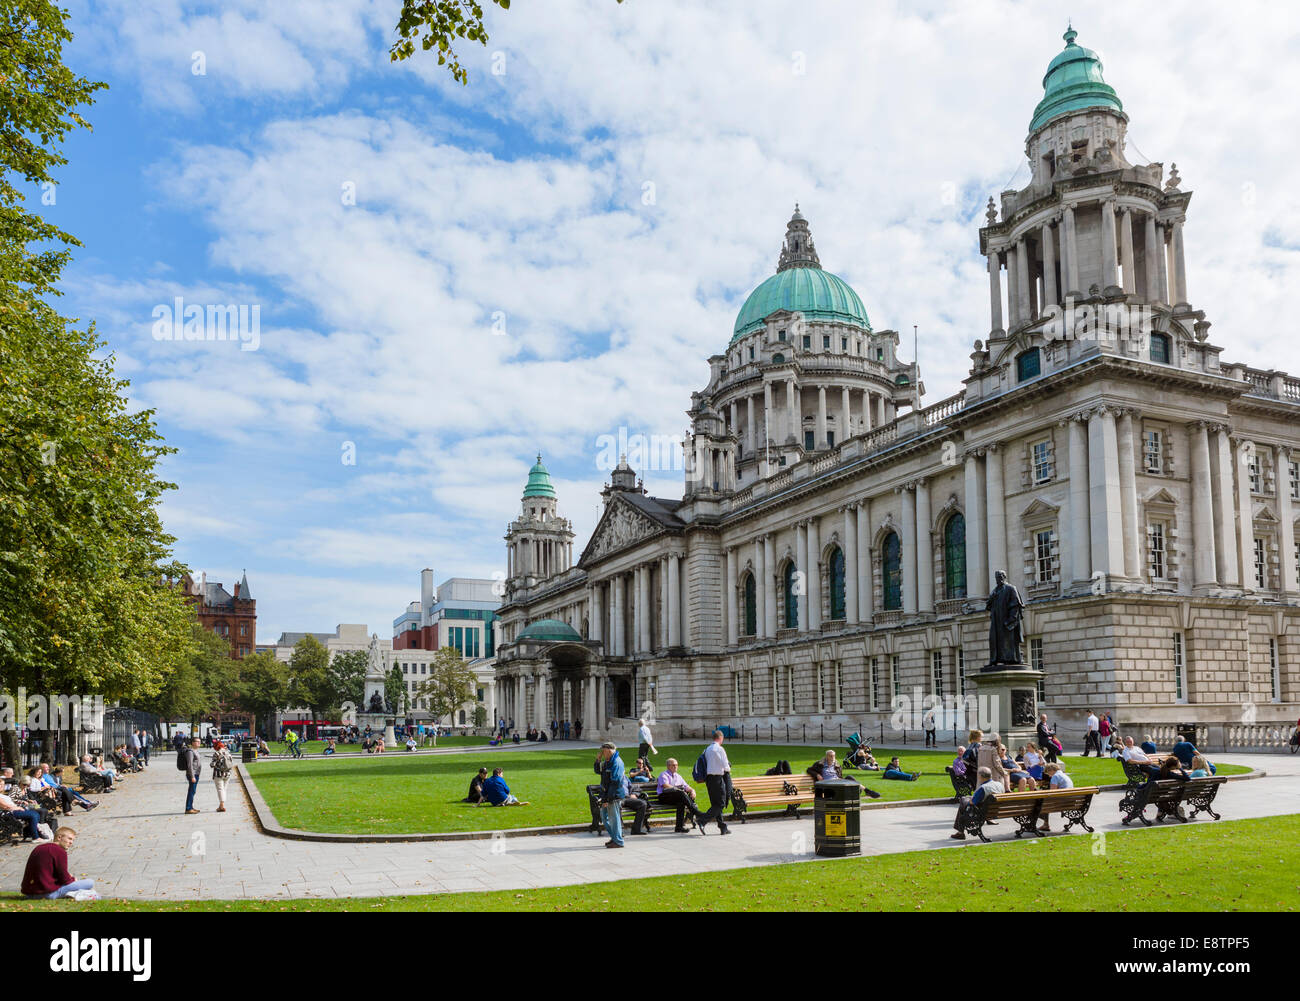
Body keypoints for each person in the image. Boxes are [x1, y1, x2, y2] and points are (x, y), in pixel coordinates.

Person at [20, 828, 94, 899]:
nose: (71, 842)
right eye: (69, 839)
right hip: (47, 893)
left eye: (73, 840)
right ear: (59, 837)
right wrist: (73, 879)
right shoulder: (60, 851)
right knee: (90, 882)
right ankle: (73, 893)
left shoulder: (39, 847)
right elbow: (65, 879)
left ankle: (72, 893)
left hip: (28, 892)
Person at [695, 730, 732, 835]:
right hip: (717, 778)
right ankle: (702, 820)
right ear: (721, 738)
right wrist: (729, 767)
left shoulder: (707, 749)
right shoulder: (720, 749)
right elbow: (726, 766)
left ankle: (722, 827)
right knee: (721, 803)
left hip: (709, 779)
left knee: (715, 804)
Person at [951, 766, 1002, 840]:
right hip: (995, 811)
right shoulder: (999, 784)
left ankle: (960, 832)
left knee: (963, 802)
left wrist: (967, 800)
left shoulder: (984, 788)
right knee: (965, 800)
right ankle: (960, 832)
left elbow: (973, 802)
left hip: (982, 812)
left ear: (981, 777)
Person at [595, 743, 629, 846]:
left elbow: (615, 782)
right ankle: (615, 837)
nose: (602, 753)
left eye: (603, 751)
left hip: (614, 795)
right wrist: (598, 760)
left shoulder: (617, 762)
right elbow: (598, 771)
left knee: (614, 819)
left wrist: (607, 799)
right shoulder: (608, 761)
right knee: (605, 818)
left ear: (609, 751)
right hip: (607, 794)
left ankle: (618, 840)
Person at [656, 758, 698, 833]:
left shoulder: (678, 776)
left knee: (681, 802)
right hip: (664, 796)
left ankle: (679, 827)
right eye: (673, 765)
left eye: (676, 765)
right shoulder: (663, 774)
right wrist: (678, 789)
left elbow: (686, 786)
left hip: (675, 797)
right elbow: (665, 785)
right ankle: (694, 811)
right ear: (668, 766)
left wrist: (692, 790)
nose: (676, 767)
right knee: (681, 793)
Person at [1037, 762, 1074, 831]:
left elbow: (1052, 792)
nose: (1049, 776)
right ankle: (1045, 824)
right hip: (1070, 800)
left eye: (1048, 773)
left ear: (1051, 770)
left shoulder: (1055, 776)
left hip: (1061, 802)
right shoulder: (1063, 775)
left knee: (1039, 805)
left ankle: (1045, 824)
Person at [211, 739, 234, 813]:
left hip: (219, 774)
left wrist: (212, 764)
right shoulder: (228, 752)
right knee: (224, 789)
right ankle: (221, 805)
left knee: (220, 789)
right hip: (227, 774)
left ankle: (222, 805)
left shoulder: (217, 753)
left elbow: (212, 764)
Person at [184, 737, 202, 815]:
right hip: (193, 774)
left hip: (196, 774)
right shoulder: (190, 752)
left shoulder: (195, 751)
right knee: (191, 791)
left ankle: (190, 807)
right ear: (193, 742)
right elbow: (189, 765)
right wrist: (192, 776)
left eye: (199, 742)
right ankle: (188, 808)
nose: (199, 743)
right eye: (197, 741)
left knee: (193, 791)